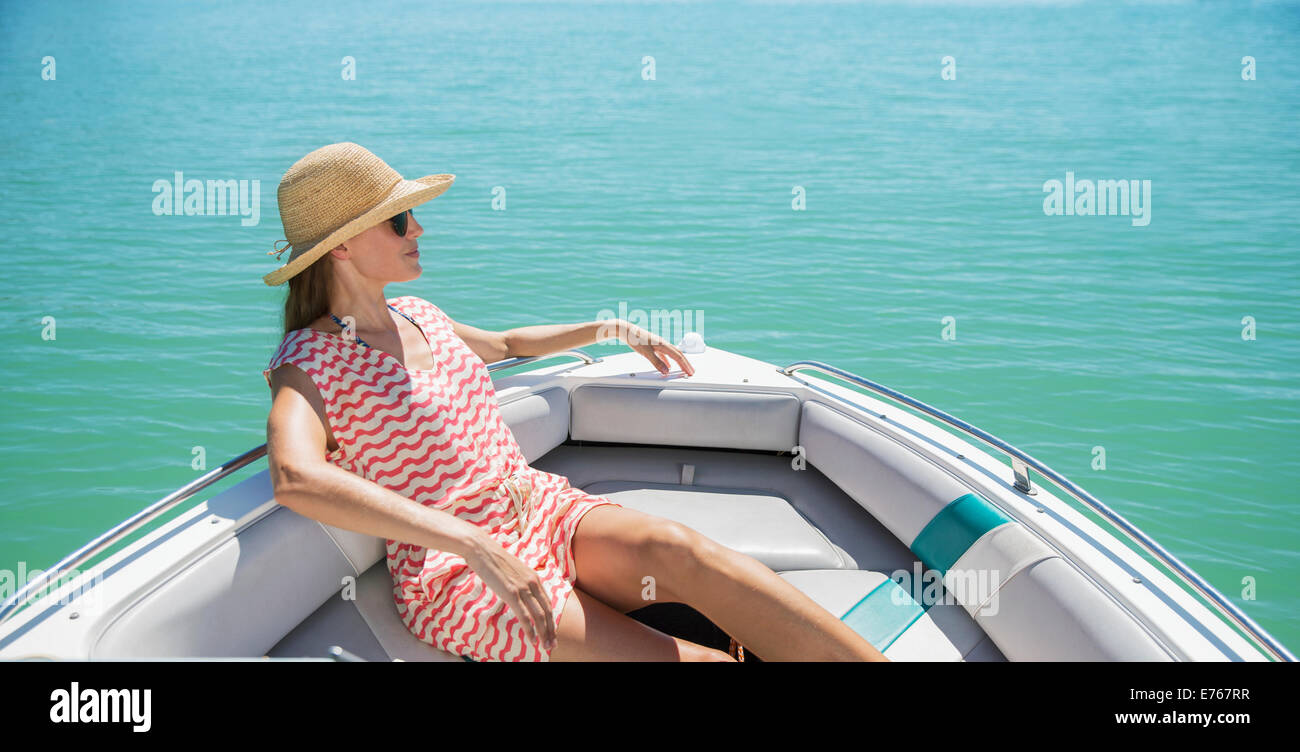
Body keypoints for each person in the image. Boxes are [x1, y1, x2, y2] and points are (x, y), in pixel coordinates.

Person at [261, 142, 889, 662]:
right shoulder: (310, 361)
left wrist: (606, 329)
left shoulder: (419, 315)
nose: (418, 229)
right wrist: (471, 543)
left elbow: (506, 343)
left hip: (540, 509)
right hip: (456, 573)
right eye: (399, 220)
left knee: (688, 552)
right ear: (341, 247)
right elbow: (295, 476)